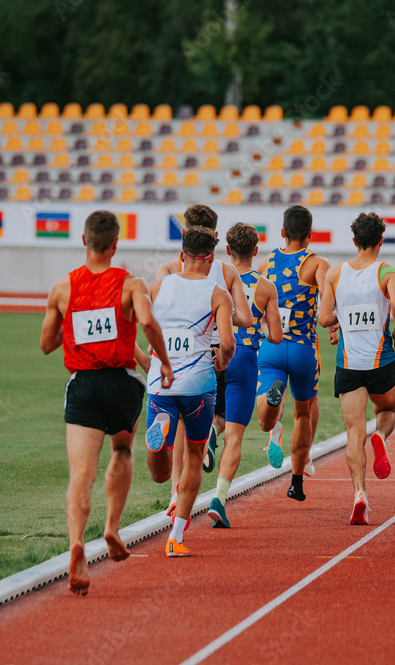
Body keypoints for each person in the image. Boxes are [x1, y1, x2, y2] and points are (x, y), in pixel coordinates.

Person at [39, 210, 174, 595]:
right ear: (115, 245)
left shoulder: (62, 289)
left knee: (81, 474)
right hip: (122, 384)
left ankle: (76, 544)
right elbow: (147, 324)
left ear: (84, 241)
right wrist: (162, 362)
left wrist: (74, 325)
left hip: (82, 385)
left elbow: (47, 345)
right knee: (122, 450)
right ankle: (112, 527)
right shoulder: (131, 284)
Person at [154, 204, 253, 520]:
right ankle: (187, 499)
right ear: (215, 236)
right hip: (211, 356)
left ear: (185, 234)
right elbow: (247, 318)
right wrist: (218, 314)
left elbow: (155, 314)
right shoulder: (226, 271)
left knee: (179, 427)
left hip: (172, 356)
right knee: (206, 425)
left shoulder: (167, 269)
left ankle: (174, 493)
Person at [142, 226, 235, 556]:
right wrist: (221, 360)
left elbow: (141, 326)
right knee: (194, 457)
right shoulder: (217, 294)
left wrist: (148, 361)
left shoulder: (157, 286)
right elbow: (227, 343)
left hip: (161, 384)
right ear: (210, 260)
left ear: (182, 256)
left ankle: (161, 431)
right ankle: (176, 537)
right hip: (198, 388)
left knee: (160, 473)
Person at [318, 212, 395, 524]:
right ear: (381, 241)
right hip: (381, 362)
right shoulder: (389, 271)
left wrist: (341, 320)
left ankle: (359, 493)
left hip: (349, 366)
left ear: (354, 241)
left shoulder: (335, 274)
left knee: (354, 433)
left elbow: (325, 318)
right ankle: (381, 434)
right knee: (388, 410)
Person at [207, 223, 283, 527]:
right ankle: (218, 499)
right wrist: (260, 326)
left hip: (212, 355)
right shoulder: (266, 287)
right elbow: (276, 336)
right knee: (235, 436)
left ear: (227, 250)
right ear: (255, 251)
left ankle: (210, 431)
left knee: (213, 419)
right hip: (245, 358)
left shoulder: (217, 276)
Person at [256, 205, 329, 501]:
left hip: (271, 345)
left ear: (283, 233)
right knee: (303, 414)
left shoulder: (265, 263)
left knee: (265, 419)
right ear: (310, 235)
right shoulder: (317, 264)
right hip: (303, 350)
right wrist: (333, 326)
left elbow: (254, 304)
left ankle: (273, 409)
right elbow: (328, 302)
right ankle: (296, 482)